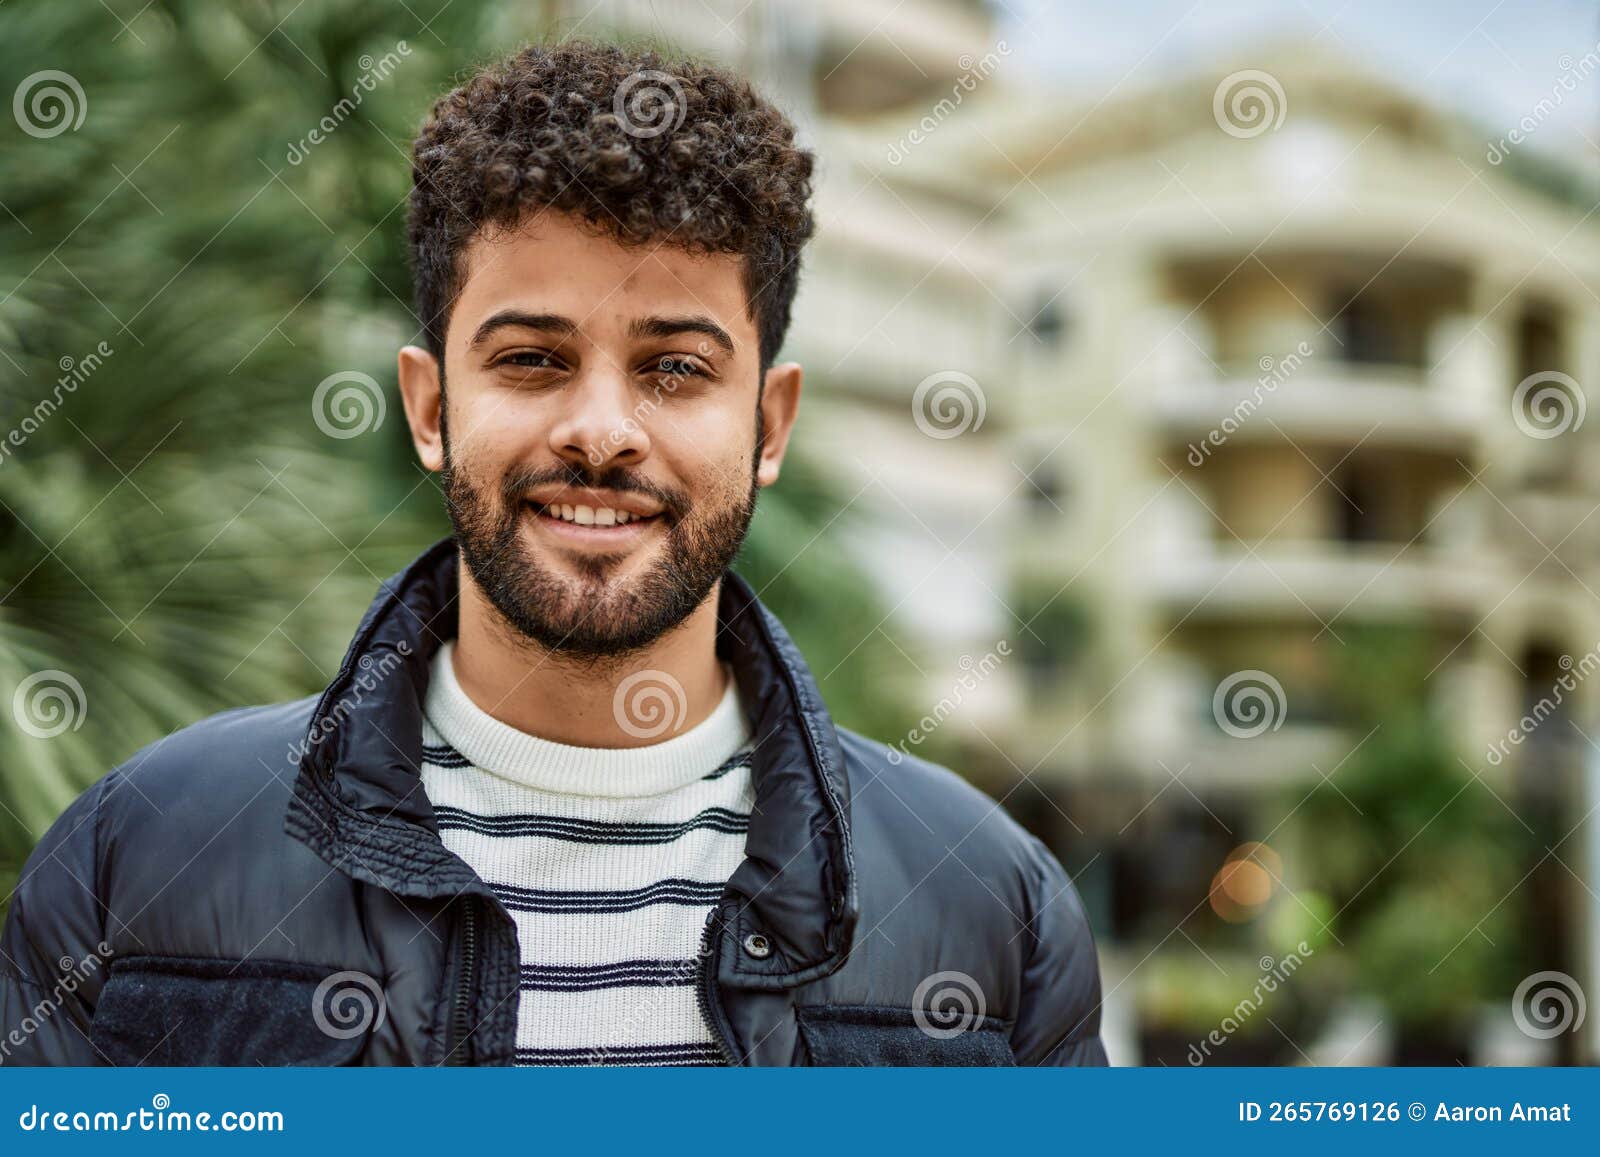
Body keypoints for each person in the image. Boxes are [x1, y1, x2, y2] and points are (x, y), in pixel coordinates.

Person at [0, 40, 1106, 1067]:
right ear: (429, 407)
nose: (600, 429)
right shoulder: (137, 858)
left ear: (770, 427)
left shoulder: (992, 909)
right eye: (532, 357)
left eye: (674, 368)